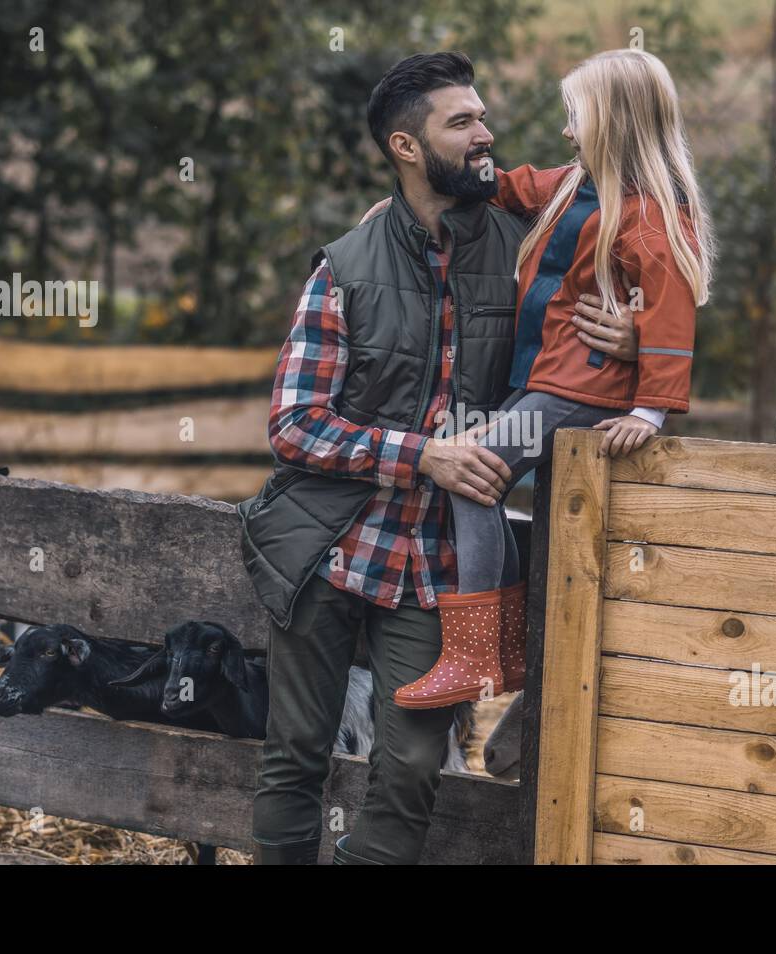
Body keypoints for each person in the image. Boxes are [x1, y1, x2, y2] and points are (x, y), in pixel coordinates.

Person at [247, 51, 639, 865]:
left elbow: (583, 364)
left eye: (483, 115)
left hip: (439, 559)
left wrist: (633, 346)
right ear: (406, 147)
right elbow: (293, 426)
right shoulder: (345, 269)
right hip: (326, 547)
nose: (486, 133)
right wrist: (421, 454)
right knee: (294, 757)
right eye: (461, 122)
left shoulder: (525, 253)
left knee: (413, 770)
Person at [387, 48, 716, 709]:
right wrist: (399, 207)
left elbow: (673, 312)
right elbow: (506, 186)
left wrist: (649, 411)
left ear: (613, 122)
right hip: (547, 383)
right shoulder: (572, 184)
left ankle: (479, 652)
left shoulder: (648, 214)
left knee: (471, 465)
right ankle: (505, 654)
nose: (568, 131)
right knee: (493, 485)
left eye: (577, 117)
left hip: (581, 392)